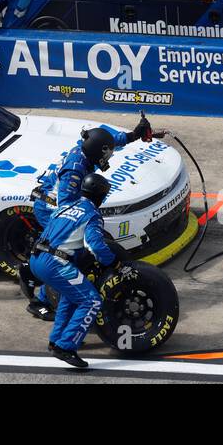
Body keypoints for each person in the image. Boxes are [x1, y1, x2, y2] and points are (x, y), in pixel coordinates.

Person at [26, 118, 160, 321]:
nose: (110, 156)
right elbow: (68, 205)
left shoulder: (89, 148)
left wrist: (134, 135)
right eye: (107, 154)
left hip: (56, 203)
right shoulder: (75, 169)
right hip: (50, 208)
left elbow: (108, 141)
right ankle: (41, 301)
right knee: (64, 255)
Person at [29, 172, 120, 369]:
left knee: (70, 298)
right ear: (101, 196)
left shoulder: (67, 205)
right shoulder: (92, 215)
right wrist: (113, 262)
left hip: (36, 258)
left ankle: (56, 341)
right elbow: (95, 245)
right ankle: (66, 347)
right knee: (91, 300)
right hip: (54, 263)